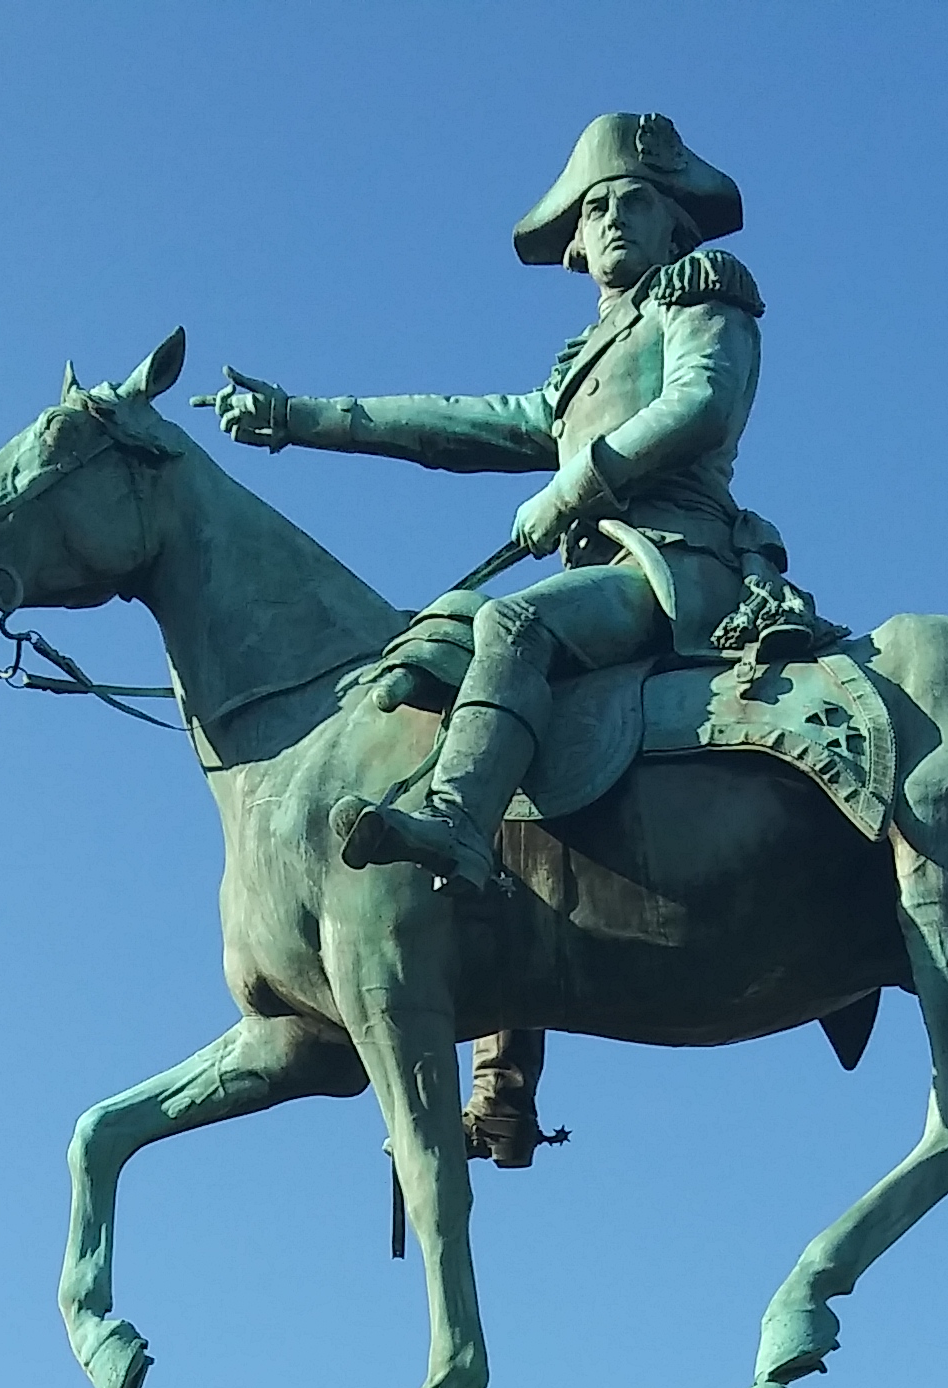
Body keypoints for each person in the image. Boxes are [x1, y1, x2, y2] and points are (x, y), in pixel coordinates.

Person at [203, 113, 766, 889]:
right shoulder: (578, 375)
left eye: (633, 203)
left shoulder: (699, 296)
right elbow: (457, 424)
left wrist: (573, 486)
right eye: (596, 209)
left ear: (675, 224)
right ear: (576, 240)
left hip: (675, 566)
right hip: (601, 575)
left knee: (514, 619)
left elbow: (698, 404)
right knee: (438, 633)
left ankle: (458, 826)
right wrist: (298, 418)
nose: (612, 221)